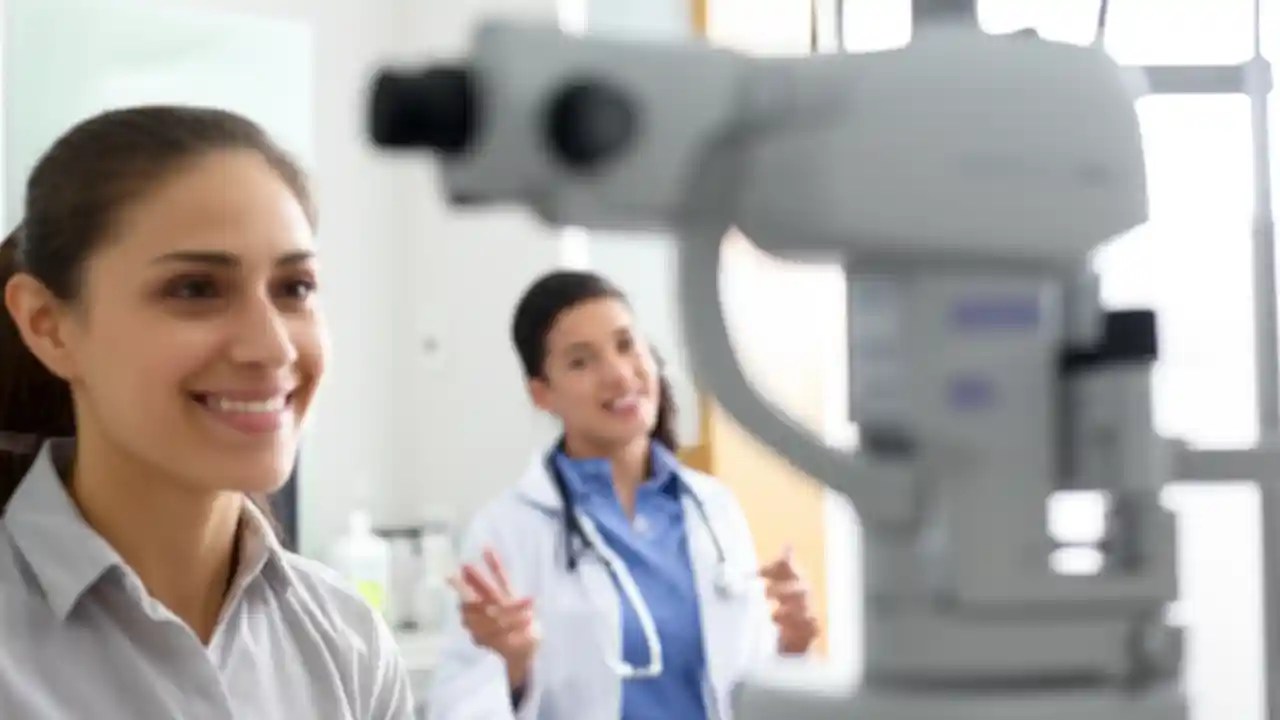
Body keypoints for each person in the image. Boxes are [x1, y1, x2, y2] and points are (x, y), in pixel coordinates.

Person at [0, 106, 413, 719]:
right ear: (49, 325)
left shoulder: (347, 642)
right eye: (195, 289)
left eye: (294, 288)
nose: (271, 346)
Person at [427, 270, 819, 719]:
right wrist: (514, 668)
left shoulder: (714, 508)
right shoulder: (508, 530)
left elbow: (745, 680)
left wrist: (792, 646)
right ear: (542, 394)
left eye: (626, 344)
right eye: (581, 362)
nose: (617, 374)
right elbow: (458, 706)